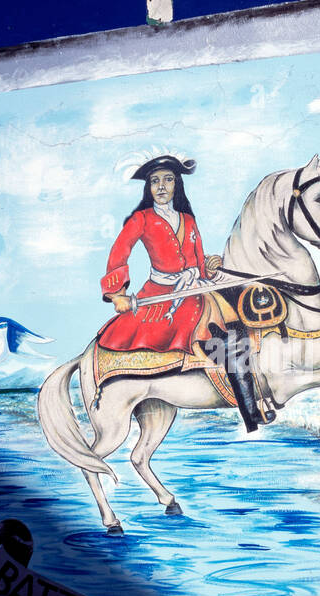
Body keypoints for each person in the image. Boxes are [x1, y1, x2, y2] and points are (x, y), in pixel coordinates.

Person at [98, 155, 270, 428]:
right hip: (161, 294)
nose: (162, 186)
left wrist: (210, 268)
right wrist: (117, 293)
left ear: (177, 184)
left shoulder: (188, 220)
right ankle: (251, 411)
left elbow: (198, 263)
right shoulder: (140, 219)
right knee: (220, 332)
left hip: (195, 288)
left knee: (238, 321)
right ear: (149, 188)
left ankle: (255, 404)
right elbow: (119, 253)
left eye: (168, 180)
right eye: (155, 181)